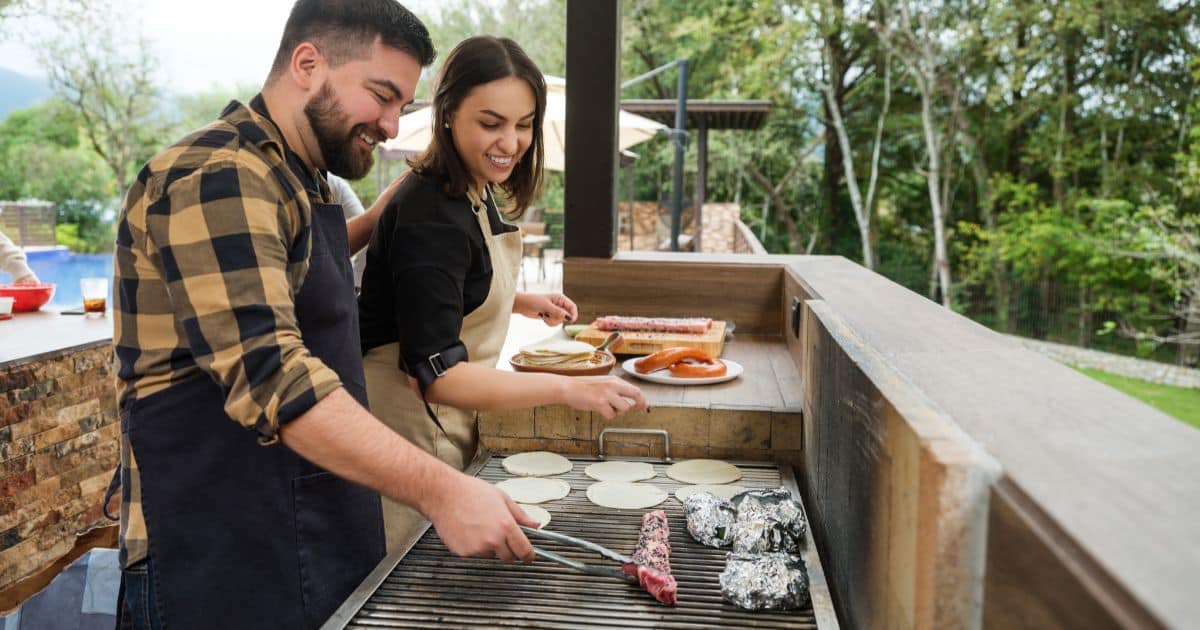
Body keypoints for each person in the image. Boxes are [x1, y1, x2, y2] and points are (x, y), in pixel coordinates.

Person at [109, 3, 538, 629]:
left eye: (402, 106)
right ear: (308, 64)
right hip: (213, 552)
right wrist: (444, 489)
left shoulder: (298, 174)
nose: (392, 126)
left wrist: (376, 217)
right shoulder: (218, 175)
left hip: (299, 529)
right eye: (382, 96)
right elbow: (273, 377)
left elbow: (301, 268)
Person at [357, 36, 648, 549]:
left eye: (524, 124)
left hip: (440, 426)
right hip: (407, 430)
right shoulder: (431, 213)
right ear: (447, 113)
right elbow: (439, 377)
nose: (510, 143)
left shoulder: (474, 187)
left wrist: (517, 300)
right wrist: (569, 388)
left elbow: (446, 286)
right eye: (491, 123)